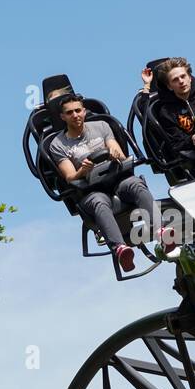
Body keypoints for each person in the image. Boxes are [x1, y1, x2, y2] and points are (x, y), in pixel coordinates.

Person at [47, 93, 170, 272]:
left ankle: (161, 231)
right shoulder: (58, 144)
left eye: (78, 110)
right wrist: (83, 170)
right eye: (70, 112)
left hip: (116, 179)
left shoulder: (102, 126)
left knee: (136, 184)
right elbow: (70, 177)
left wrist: (114, 152)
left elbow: (119, 153)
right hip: (89, 189)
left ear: (84, 111)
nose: (75, 115)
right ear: (63, 117)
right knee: (99, 202)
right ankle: (120, 249)